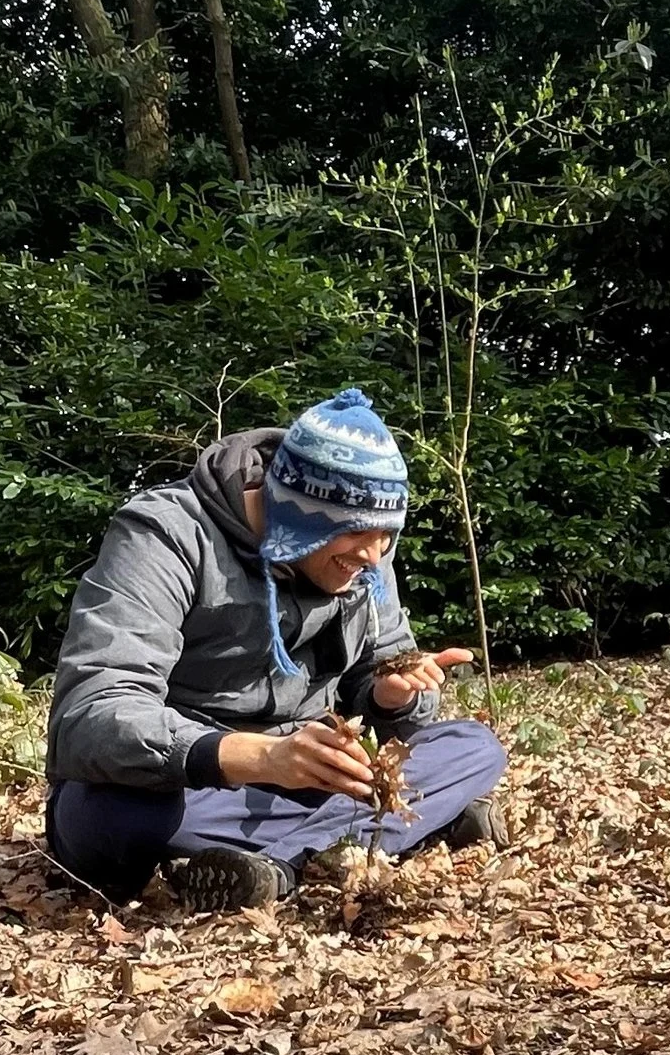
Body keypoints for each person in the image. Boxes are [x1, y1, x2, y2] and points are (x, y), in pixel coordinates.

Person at [44, 387, 509, 911]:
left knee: (474, 747)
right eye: (359, 533)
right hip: (193, 785)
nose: (376, 557)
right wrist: (261, 757)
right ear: (302, 516)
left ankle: (281, 864)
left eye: (387, 536)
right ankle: (403, 827)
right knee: (106, 814)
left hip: (309, 779)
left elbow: (386, 696)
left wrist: (390, 697)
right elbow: (92, 714)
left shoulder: (365, 558)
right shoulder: (165, 535)